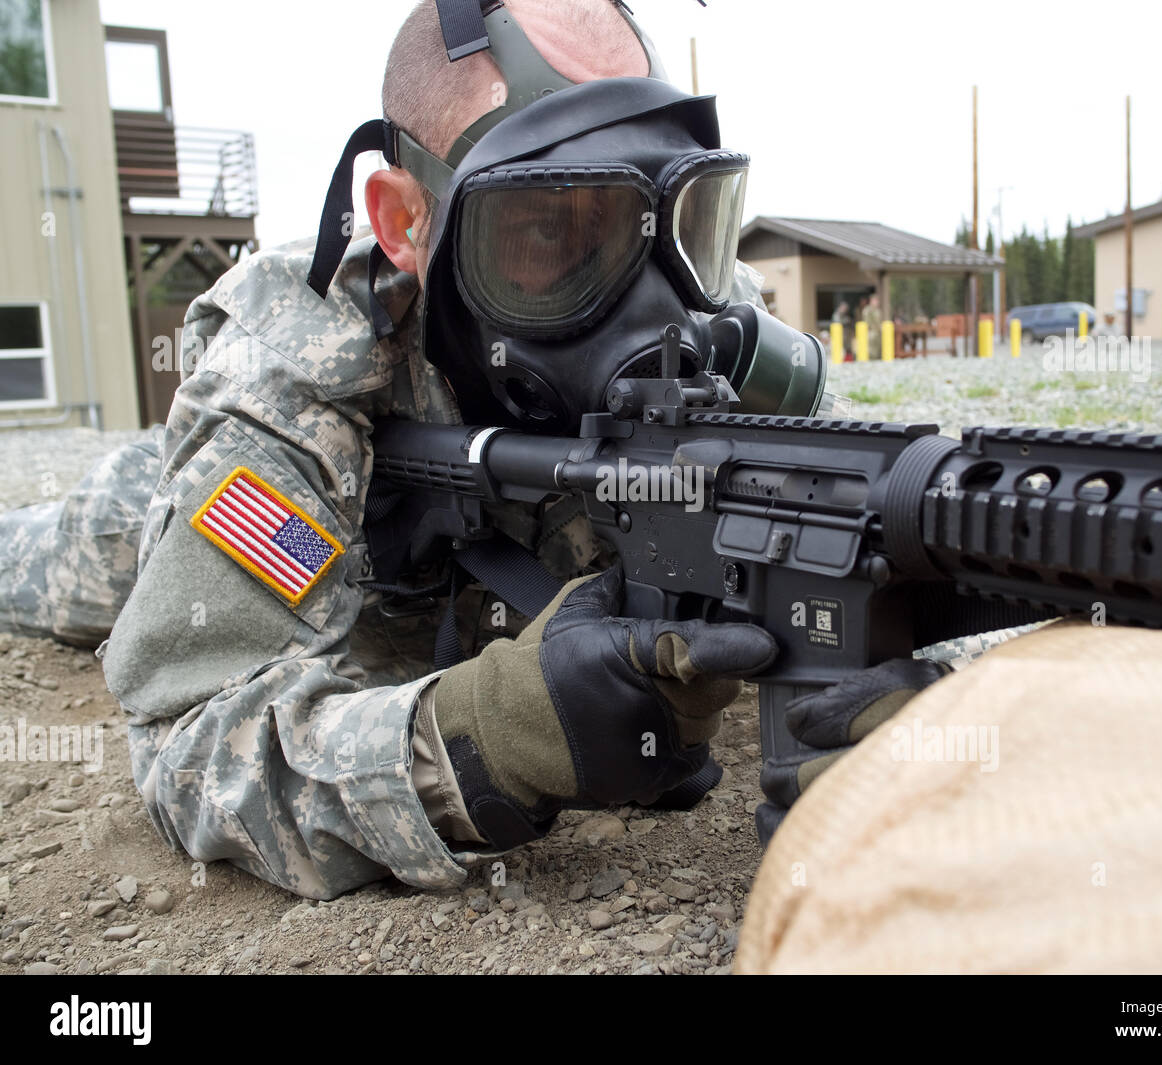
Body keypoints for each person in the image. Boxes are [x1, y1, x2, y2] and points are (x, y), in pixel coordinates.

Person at [0, 0, 778, 899]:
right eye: (547, 228)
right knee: (48, 562)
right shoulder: (293, 362)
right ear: (407, 222)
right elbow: (193, 746)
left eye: (668, 211)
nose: (649, 300)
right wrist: (482, 740)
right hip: (259, 513)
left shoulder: (719, 318)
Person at [863, 292, 882, 360]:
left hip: (878, 333)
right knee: (871, 350)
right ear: (871, 301)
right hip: (871, 332)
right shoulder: (867, 310)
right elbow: (867, 322)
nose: (877, 302)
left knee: (878, 350)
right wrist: (875, 328)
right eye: (876, 300)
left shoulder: (877, 310)